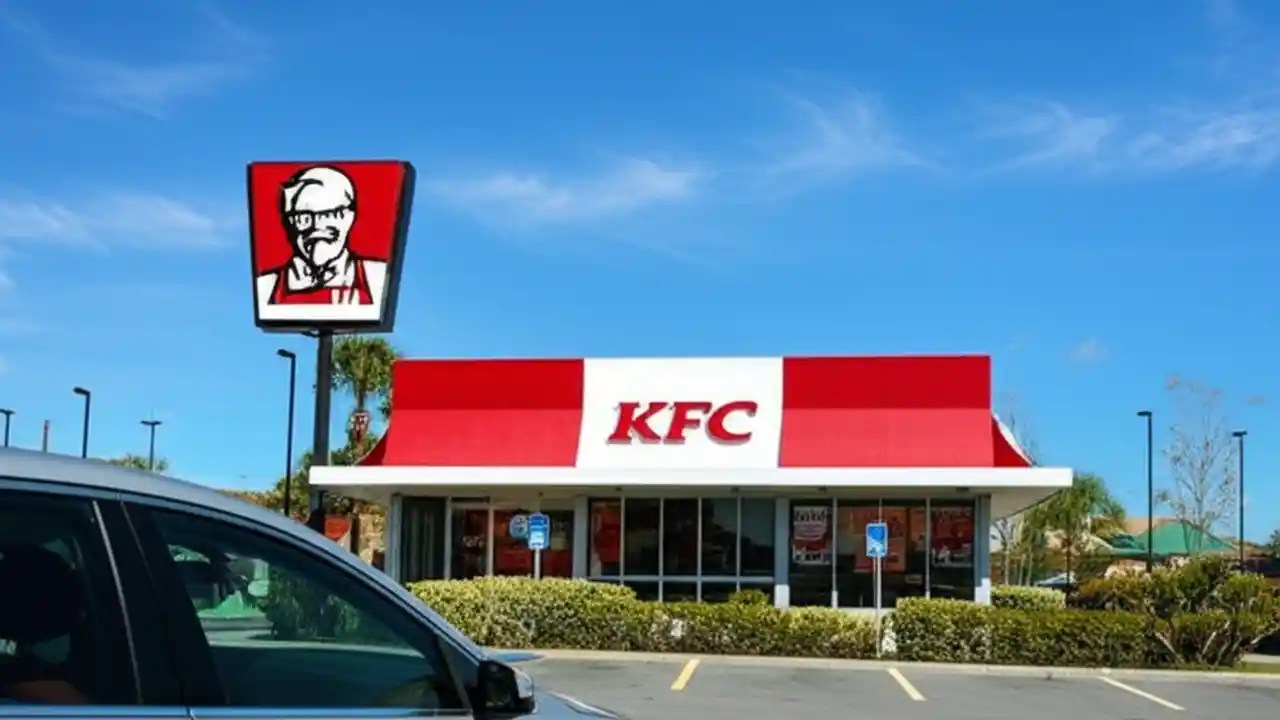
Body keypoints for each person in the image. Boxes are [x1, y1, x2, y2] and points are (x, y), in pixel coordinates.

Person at [255, 165, 387, 309]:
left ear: (349, 217)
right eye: (304, 217)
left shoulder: (379, 278)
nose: (317, 226)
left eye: (329, 214)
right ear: (289, 223)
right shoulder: (265, 287)